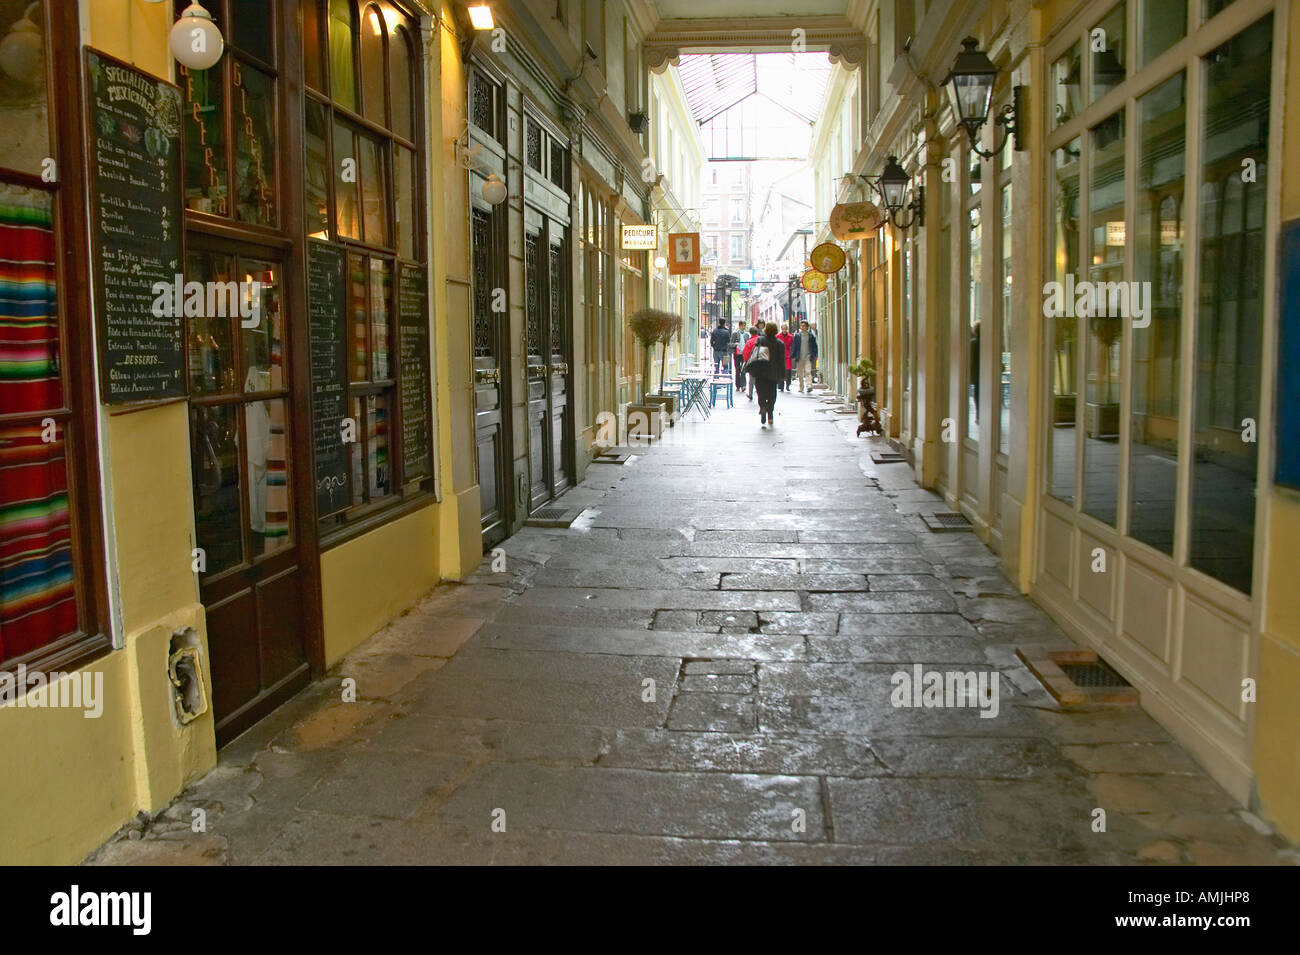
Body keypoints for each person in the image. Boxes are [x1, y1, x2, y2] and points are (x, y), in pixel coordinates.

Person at [743, 322, 786, 427]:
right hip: (773, 372)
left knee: (761, 392)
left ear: (766, 330)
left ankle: (762, 407)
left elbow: (754, 353)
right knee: (772, 393)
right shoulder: (780, 343)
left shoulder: (760, 340)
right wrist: (783, 374)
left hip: (760, 371)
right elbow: (782, 360)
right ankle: (770, 413)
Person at [790, 319, 819, 392]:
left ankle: (809, 385)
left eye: (804, 326)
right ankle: (801, 386)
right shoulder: (797, 336)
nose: (802, 327)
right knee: (800, 373)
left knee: (808, 371)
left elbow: (814, 346)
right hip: (799, 357)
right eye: (801, 326)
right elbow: (794, 346)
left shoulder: (811, 336)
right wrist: (792, 355)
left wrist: (814, 354)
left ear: (807, 327)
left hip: (808, 357)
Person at [776, 322, 794, 391]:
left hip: (788, 355)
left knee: (788, 371)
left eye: (785, 329)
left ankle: (788, 384)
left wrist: (792, 354)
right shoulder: (778, 336)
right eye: (783, 329)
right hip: (780, 355)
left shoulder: (790, 337)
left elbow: (792, 346)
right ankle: (781, 385)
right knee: (780, 370)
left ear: (787, 329)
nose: (784, 330)